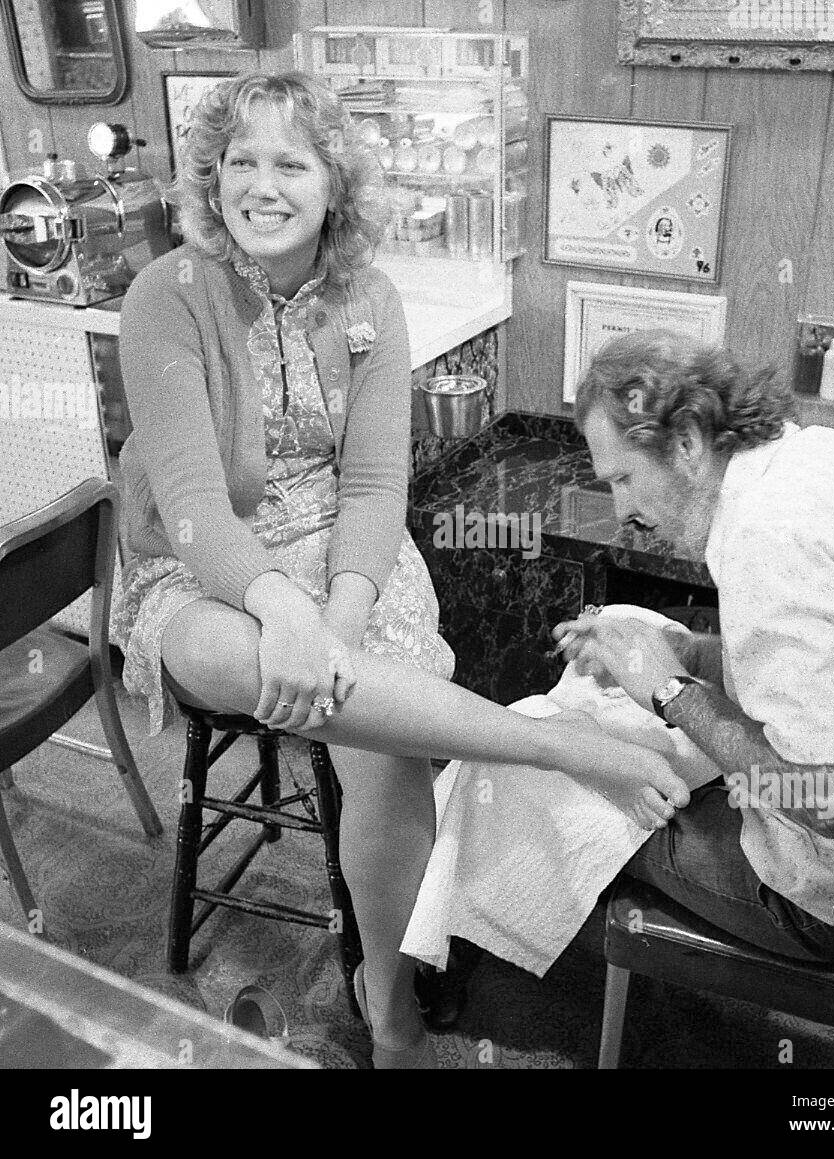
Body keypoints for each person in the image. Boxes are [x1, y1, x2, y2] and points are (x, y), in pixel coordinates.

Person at [110, 71, 689, 1068]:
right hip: (199, 569)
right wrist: (278, 617)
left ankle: (392, 1018)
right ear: (209, 179)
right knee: (227, 657)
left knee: (375, 744)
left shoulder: (370, 297)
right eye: (238, 161)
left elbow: (377, 487)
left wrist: (328, 629)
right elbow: (196, 507)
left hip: (350, 561)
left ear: (332, 184)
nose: (260, 184)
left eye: (288, 162)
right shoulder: (166, 298)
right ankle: (546, 747)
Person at [554, 328, 834, 961]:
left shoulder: (764, 537)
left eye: (624, 479)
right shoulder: (826, 455)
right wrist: (690, 654)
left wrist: (668, 689)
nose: (620, 511)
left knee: (582, 797)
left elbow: (832, 803)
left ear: (688, 443)